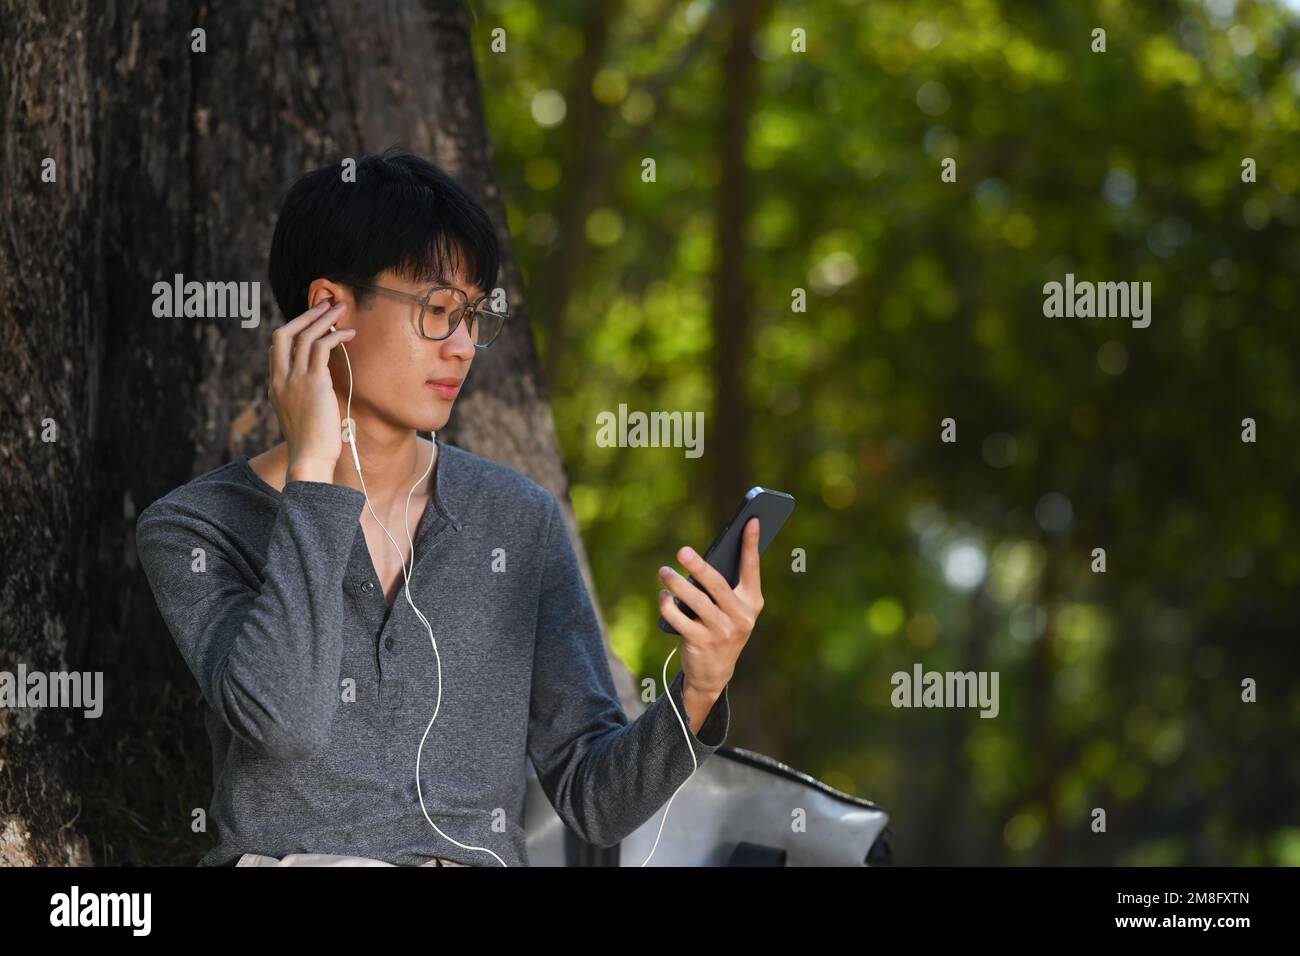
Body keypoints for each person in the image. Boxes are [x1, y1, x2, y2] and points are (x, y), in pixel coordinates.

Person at [135, 148, 766, 867]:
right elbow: (284, 724)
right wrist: (315, 476)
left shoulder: (517, 520)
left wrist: (701, 688)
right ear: (328, 311)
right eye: (437, 312)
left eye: (472, 317)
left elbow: (597, 802)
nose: (464, 347)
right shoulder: (193, 528)